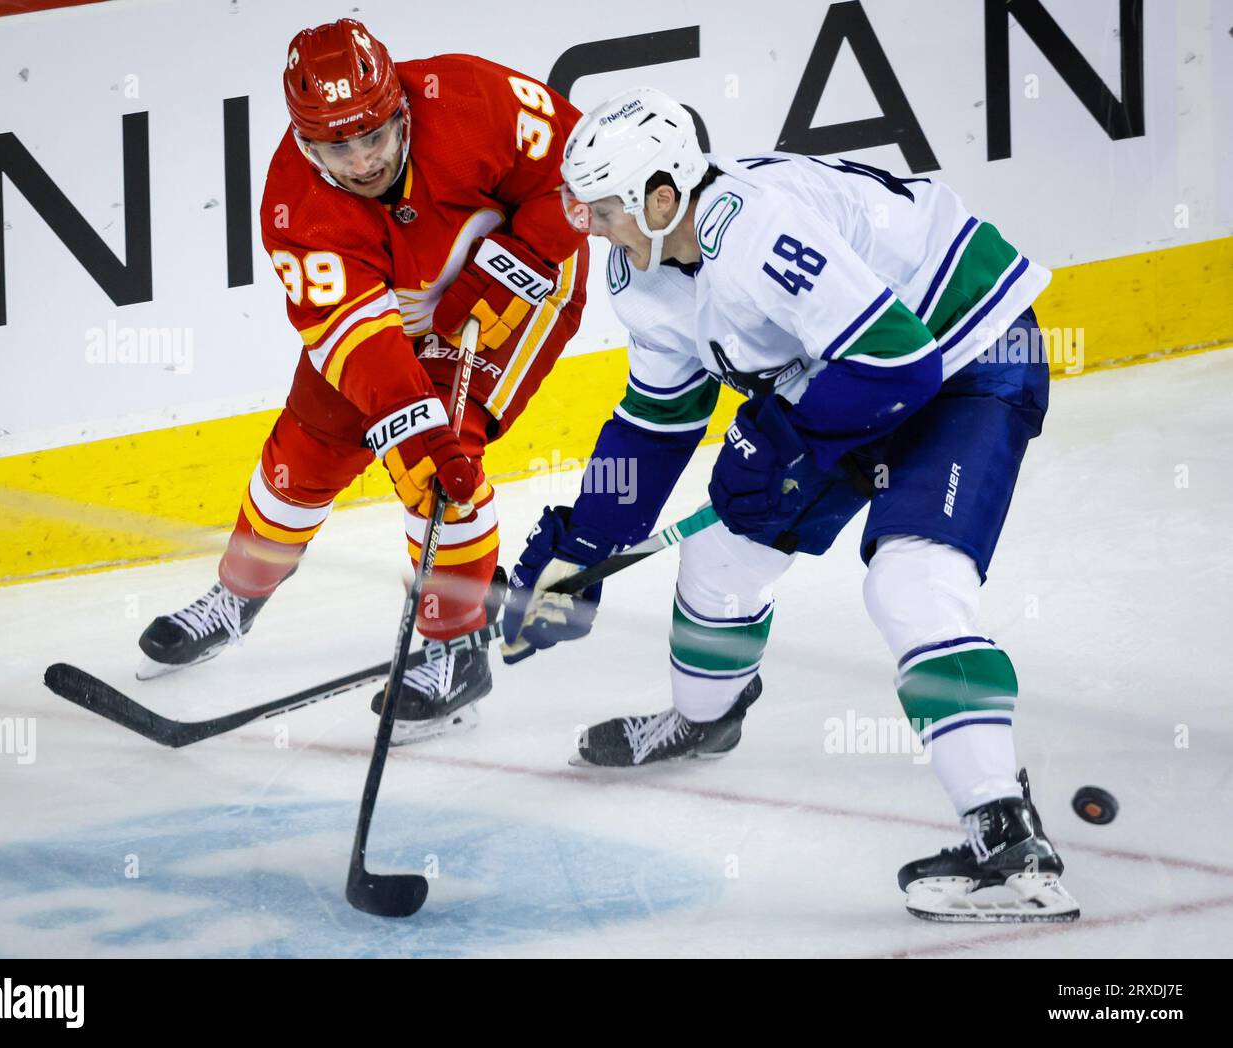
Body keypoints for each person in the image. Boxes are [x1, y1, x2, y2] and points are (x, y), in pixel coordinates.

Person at [501, 87, 1077, 921]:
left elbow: (903, 366)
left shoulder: (759, 230)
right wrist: (579, 550)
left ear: (663, 198)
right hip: (850, 367)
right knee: (724, 552)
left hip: (965, 356)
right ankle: (705, 719)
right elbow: (657, 422)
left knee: (910, 582)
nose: (588, 228)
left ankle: (1007, 836)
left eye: (603, 210)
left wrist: (791, 450)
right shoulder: (642, 263)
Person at [137, 19, 588, 742]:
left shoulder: (473, 96)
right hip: (396, 310)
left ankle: (453, 648)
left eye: (372, 136)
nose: (361, 160)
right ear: (303, 140)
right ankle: (237, 595)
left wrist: (499, 271)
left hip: (519, 282)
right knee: (308, 445)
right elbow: (368, 354)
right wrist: (419, 429)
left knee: (444, 468)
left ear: (400, 107)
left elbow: (580, 177)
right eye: (335, 147)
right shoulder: (295, 207)